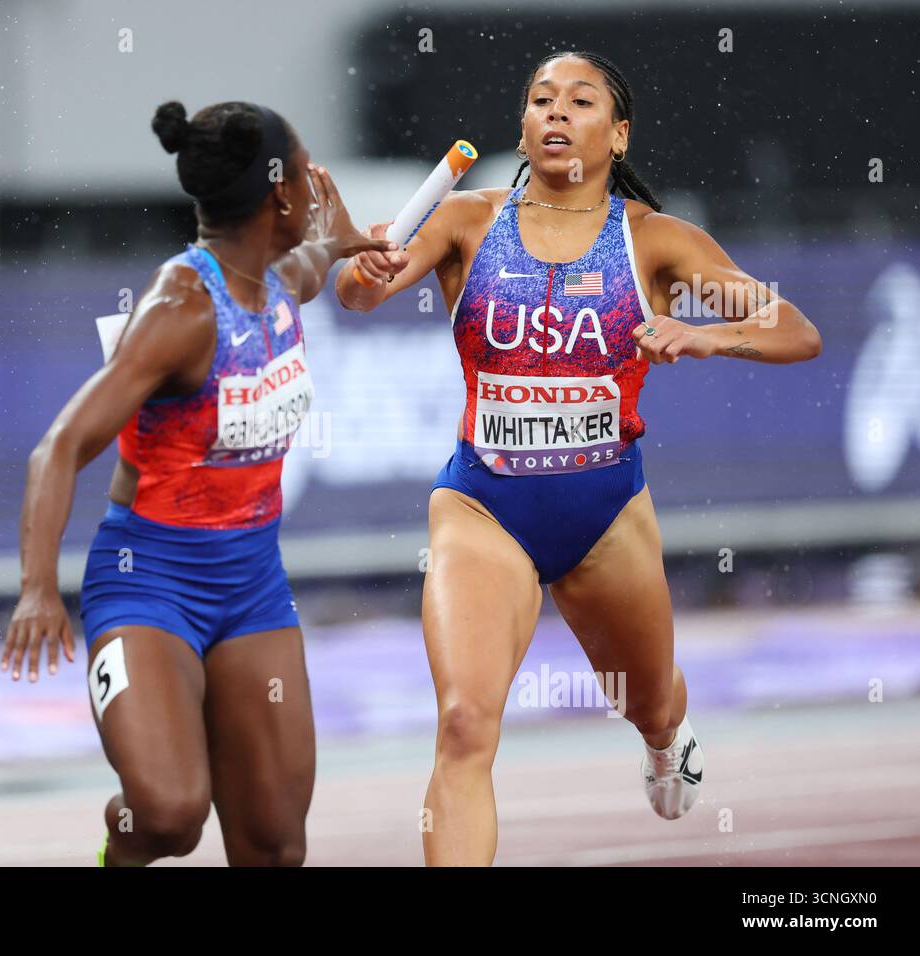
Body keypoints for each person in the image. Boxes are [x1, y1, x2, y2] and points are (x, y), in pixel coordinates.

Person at [335, 51, 822, 866]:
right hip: (483, 507)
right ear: (523, 128)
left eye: (580, 101)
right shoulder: (463, 220)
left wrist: (705, 334)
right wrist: (368, 268)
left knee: (651, 700)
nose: (557, 113)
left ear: (617, 134)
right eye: (541, 100)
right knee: (463, 725)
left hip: (606, 515)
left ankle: (666, 737)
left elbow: (794, 330)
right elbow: (354, 294)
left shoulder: (657, 240)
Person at [2, 100, 391, 866]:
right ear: (279, 193)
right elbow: (58, 448)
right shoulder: (179, 309)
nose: (318, 180)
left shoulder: (278, 275)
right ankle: (118, 845)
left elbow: (312, 261)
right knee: (170, 813)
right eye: (307, 165)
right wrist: (37, 588)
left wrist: (341, 241)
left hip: (252, 586)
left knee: (275, 846)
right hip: (149, 584)